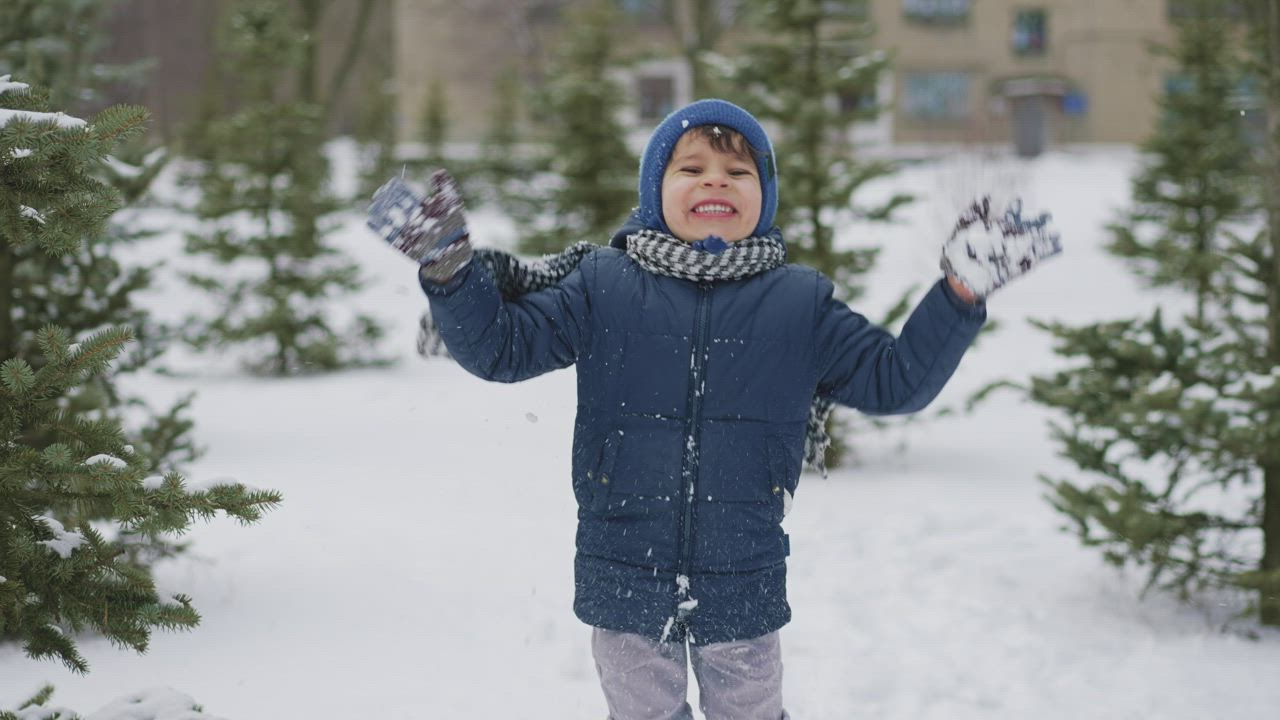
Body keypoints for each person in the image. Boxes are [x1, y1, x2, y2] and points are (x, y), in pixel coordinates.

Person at [367, 99, 1059, 720]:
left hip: (743, 569)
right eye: (690, 168)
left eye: (738, 172)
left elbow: (894, 380)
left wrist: (959, 295)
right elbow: (501, 351)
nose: (715, 182)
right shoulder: (602, 285)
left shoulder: (799, 303)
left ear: (766, 196)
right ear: (653, 192)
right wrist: (452, 274)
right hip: (621, 563)